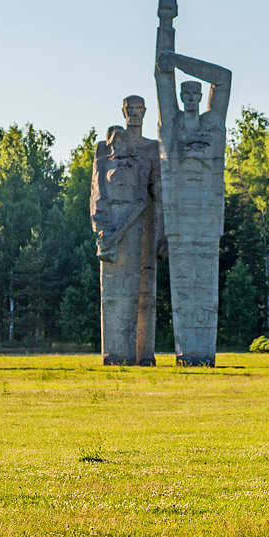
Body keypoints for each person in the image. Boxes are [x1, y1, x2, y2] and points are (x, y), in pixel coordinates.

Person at [153, 0, 232, 366]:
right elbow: (161, 75)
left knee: (207, 290)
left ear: (202, 95)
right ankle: (188, 355)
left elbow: (225, 77)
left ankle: (206, 354)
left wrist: (181, 60)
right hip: (182, 219)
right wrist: (165, 26)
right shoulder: (170, 128)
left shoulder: (214, 124)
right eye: (185, 93)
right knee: (184, 290)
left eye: (195, 93)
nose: (189, 97)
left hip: (208, 218)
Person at [90, 95, 163, 366]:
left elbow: (157, 194)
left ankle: (142, 352)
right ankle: (115, 352)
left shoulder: (151, 148)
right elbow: (96, 191)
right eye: (130, 110)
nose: (134, 114)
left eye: (139, 110)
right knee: (113, 293)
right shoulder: (104, 149)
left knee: (142, 292)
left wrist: (162, 234)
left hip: (141, 225)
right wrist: (102, 230)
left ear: (144, 112)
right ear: (123, 111)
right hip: (112, 226)